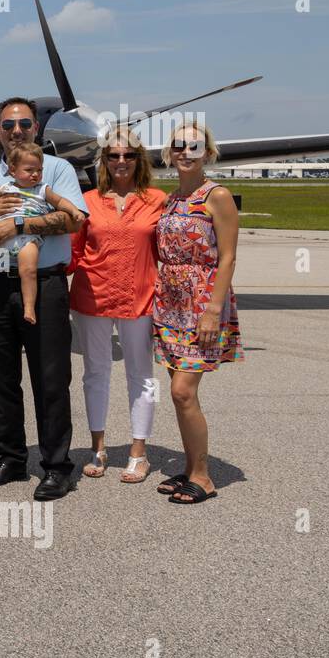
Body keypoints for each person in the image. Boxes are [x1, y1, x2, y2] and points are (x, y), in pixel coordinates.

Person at [0, 96, 87, 501]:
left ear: (36, 127)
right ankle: (11, 458)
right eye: (7, 125)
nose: (16, 131)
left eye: (24, 124)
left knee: (51, 377)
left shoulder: (57, 170)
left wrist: (20, 221)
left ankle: (56, 466)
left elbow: (74, 219)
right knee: (0, 377)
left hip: (45, 281)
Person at [153, 121, 243, 504]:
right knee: (180, 396)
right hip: (169, 302)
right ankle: (191, 467)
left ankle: (204, 477)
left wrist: (213, 310)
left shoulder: (216, 196)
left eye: (195, 146)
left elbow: (228, 258)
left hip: (203, 302)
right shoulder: (170, 199)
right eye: (178, 146)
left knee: (182, 391)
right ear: (169, 153)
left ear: (208, 152)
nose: (186, 152)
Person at [69, 126, 166, 483]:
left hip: (140, 297)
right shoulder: (87, 200)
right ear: (104, 161)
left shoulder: (158, 199)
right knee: (96, 371)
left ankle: (139, 452)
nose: (121, 161)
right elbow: (73, 251)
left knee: (142, 375)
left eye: (128, 155)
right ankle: (98, 447)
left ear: (139, 160)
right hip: (92, 296)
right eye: (114, 155)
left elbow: (166, 251)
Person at [0, 142, 85, 324]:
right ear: (12, 171)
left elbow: (61, 202)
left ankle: (29, 307)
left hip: (27, 239)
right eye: (29, 170)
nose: (35, 174)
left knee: (28, 270)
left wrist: (74, 211)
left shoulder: (42, 189)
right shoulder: (3, 188)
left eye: (39, 170)